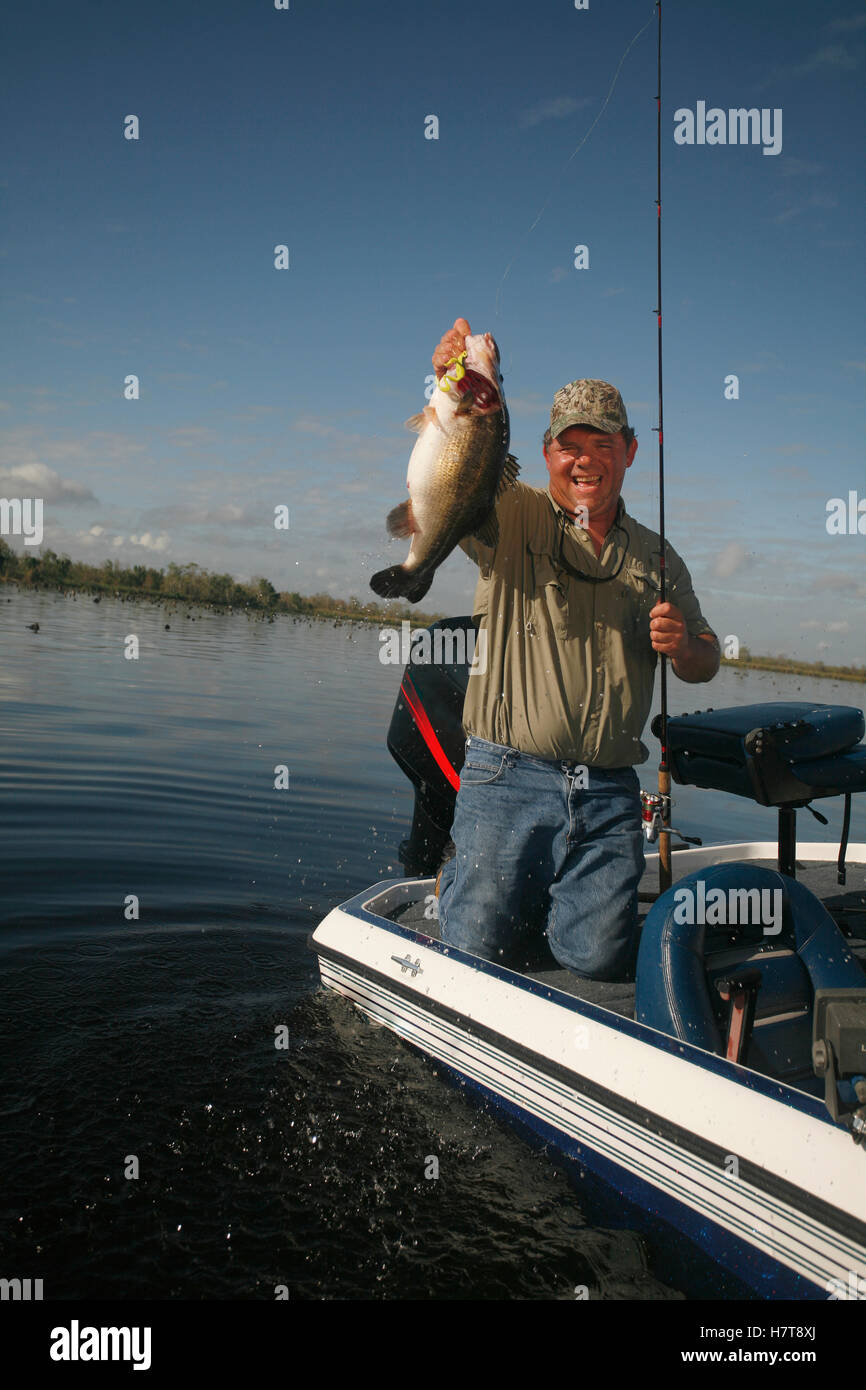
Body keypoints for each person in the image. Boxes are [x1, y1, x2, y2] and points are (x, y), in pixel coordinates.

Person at [433, 318, 720, 981]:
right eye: (570, 445)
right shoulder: (509, 515)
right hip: (505, 776)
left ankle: (533, 904)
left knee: (598, 959)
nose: (585, 458)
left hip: (609, 791)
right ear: (545, 454)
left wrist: (685, 649)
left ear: (629, 453)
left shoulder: (658, 557)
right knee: (471, 952)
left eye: (603, 443)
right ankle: (470, 890)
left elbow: (705, 659)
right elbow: (457, 463)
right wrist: (452, 377)